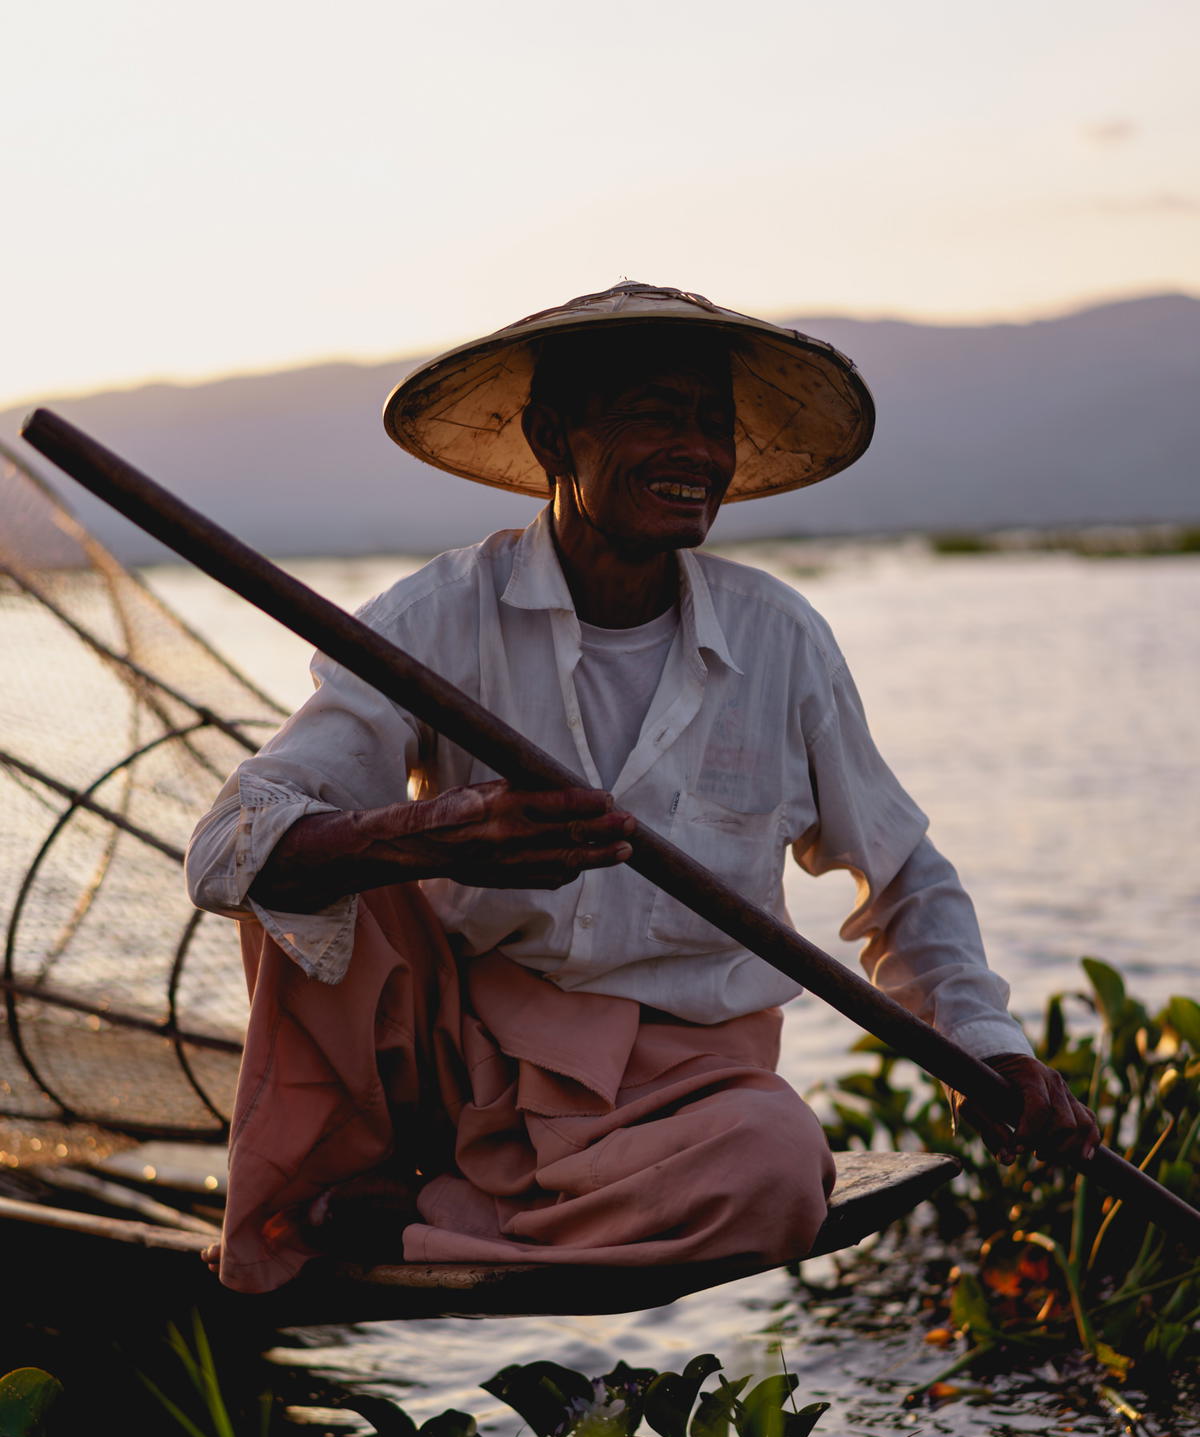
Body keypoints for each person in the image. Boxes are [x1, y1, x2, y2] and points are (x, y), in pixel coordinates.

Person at [187, 280, 1098, 1293]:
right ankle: (439, 1186)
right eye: (658, 415)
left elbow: (902, 877)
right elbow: (227, 848)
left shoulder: (778, 640)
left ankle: (423, 1219)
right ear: (552, 438)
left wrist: (986, 1048)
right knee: (301, 870)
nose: (697, 451)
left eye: (714, 423)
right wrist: (441, 835)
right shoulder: (435, 618)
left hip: (680, 1091)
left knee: (778, 1173)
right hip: (457, 1072)